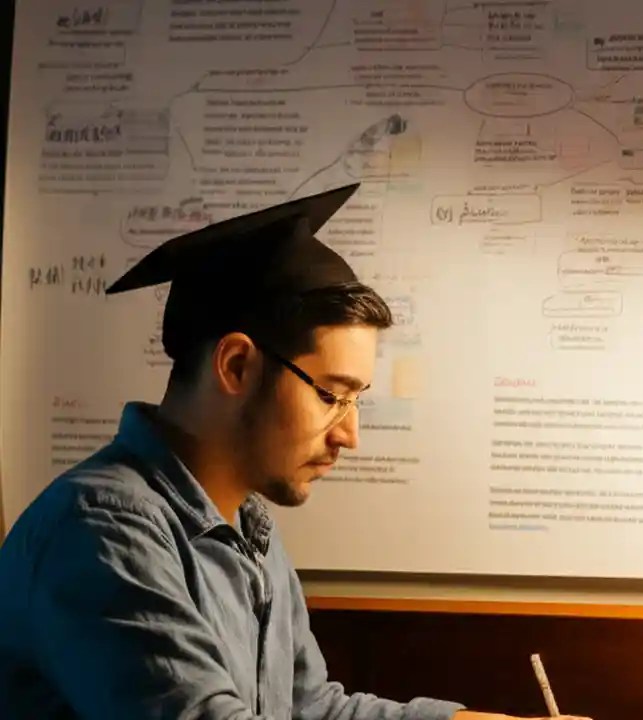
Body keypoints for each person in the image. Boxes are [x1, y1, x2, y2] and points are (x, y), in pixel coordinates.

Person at [0, 183, 589, 720]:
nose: (349, 434)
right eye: (332, 395)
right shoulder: (104, 529)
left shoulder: (248, 525)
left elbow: (310, 707)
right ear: (236, 365)